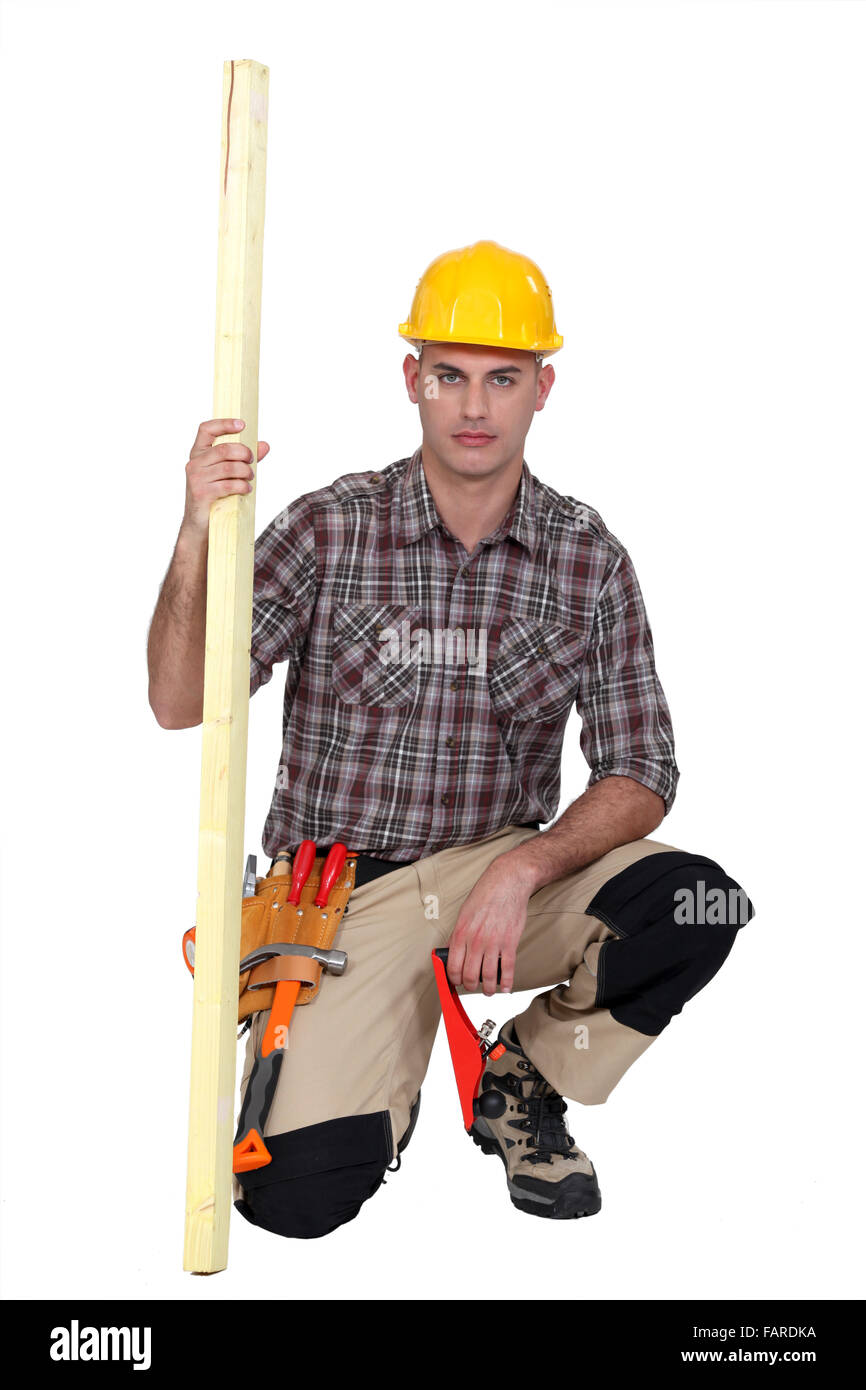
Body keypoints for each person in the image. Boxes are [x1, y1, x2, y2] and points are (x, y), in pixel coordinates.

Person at [147, 239, 753, 1238]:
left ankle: (522, 1073)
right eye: (450, 376)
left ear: (541, 388)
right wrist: (194, 533)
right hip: (341, 896)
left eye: (501, 378)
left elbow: (642, 771)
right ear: (411, 380)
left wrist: (524, 869)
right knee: (292, 1198)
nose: (474, 406)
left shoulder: (585, 557)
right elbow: (180, 701)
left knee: (697, 901)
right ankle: (388, 1052)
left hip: (497, 879)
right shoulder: (330, 527)